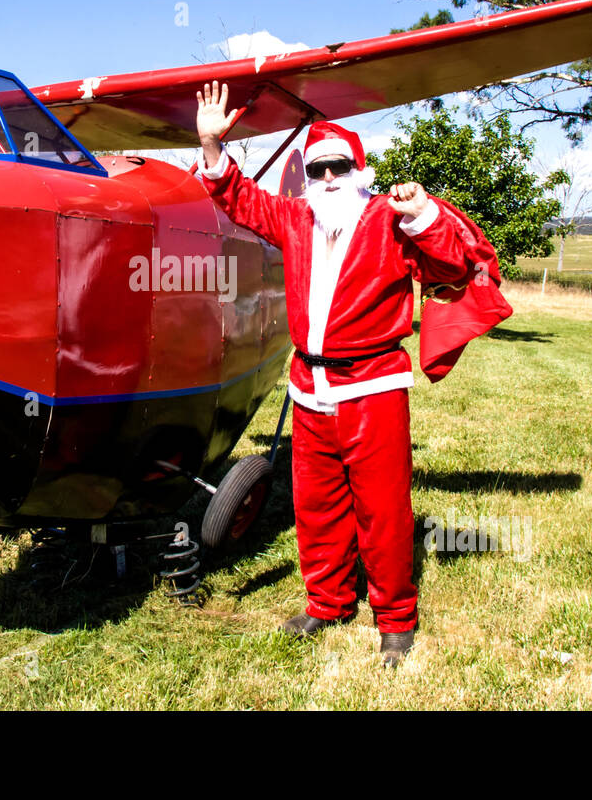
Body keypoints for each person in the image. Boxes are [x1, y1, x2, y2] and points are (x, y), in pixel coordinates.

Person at [194, 80, 501, 666]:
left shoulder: (391, 219)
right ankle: (328, 601)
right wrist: (211, 146)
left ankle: (395, 619)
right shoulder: (295, 218)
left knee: (382, 507)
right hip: (310, 387)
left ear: (360, 170)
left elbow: (453, 264)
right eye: (317, 171)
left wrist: (423, 216)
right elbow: (236, 195)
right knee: (316, 502)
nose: (329, 180)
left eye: (339, 167)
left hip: (372, 387)